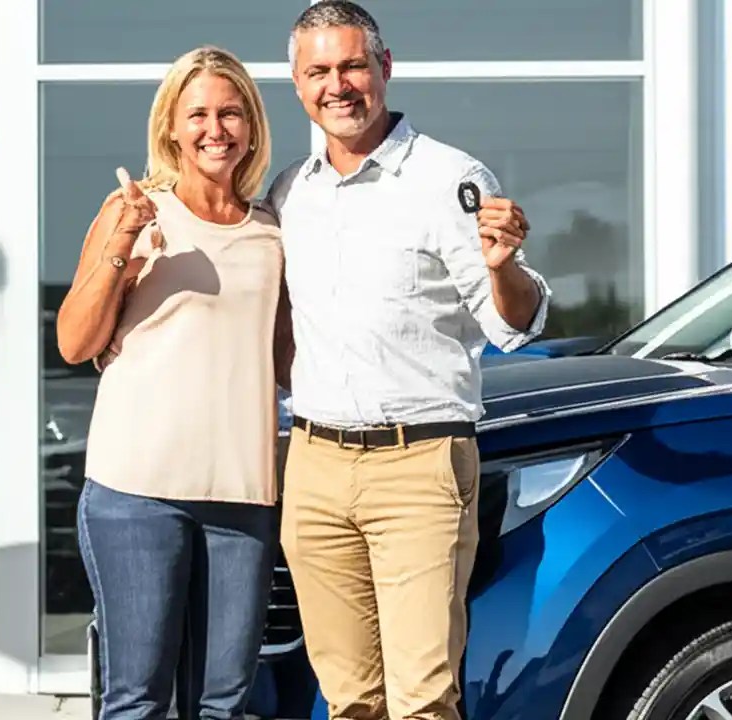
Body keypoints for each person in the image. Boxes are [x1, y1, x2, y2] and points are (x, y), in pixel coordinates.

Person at [265, 2, 551, 719]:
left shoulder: (449, 178)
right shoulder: (290, 191)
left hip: (417, 467)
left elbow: (510, 322)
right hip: (315, 469)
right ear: (297, 84)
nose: (339, 85)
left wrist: (503, 265)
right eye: (319, 71)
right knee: (348, 698)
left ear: (384, 68)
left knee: (422, 699)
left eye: (353, 65)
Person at [56, 46, 284, 719]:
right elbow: (75, 340)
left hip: (241, 500)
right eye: (199, 115)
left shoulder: (272, 233)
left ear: (251, 125)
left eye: (231, 112)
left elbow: (285, 355)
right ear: (173, 128)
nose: (215, 129)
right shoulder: (136, 211)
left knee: (224, 705)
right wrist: (124, 242)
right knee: (138, 702)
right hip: (136, 495)